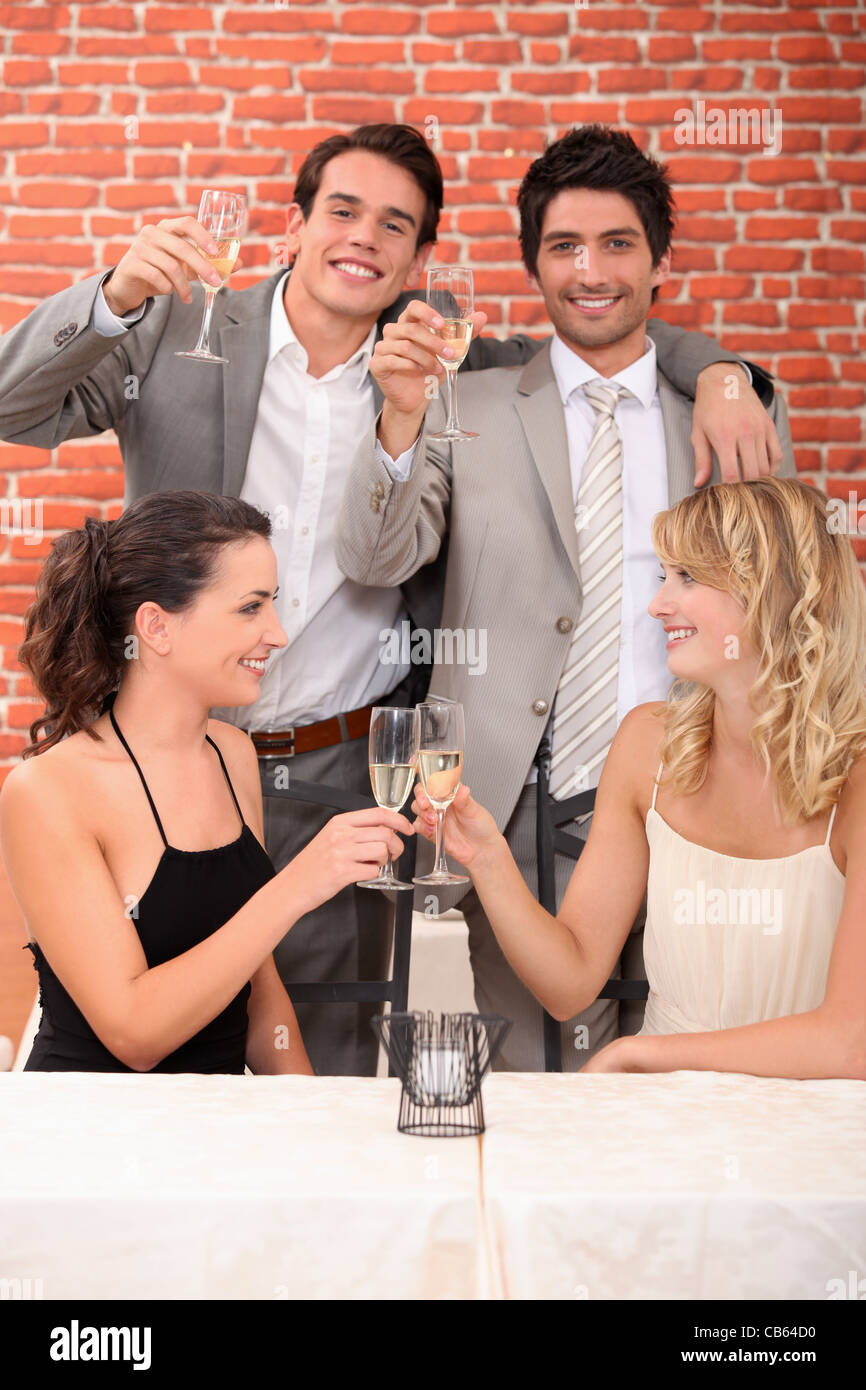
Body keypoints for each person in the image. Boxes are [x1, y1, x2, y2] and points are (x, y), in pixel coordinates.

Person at [0, 122, 785, 1075]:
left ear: (420, 259)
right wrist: (115, 296)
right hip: (180, 753)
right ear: (294, 225)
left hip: (346, 762)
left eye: (395, 224)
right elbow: (11, 404)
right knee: (144, 1024)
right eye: (342, 211)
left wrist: (724, 374)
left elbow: (600, 334)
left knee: (321, 1055)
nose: (364, 238)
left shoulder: (445, 365)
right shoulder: (177, 329)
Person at [336, 124, 797, 1072]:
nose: (590, 272)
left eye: (617, 244)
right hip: (513, 807)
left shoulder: (728, 413)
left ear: (660, 260)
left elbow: (775, 601)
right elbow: (377, 559)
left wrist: (725, 372)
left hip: (697, 796)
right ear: (533, 264)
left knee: (691, 1072)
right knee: (536, 1100)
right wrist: (399, 420)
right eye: (563, 247)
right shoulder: (464, 402)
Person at [411, 478, 866, 1081]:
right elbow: (570, 983)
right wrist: (488, 857)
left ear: (773, 593)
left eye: (689, 578)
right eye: (663, 577)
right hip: (665, 1113)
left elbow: (849, 1045)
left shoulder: (857, 782)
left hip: (804, 1118)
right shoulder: (649, 745)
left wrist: (644, 1053)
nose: (657, 605)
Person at [0, 492, 411, 1074]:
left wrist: (310, 1112)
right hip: (95, 1122)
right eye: (250, 608)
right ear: (156, 627)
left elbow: (260, 991)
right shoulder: (47, 790)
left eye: (272, 605)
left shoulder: (232, 754)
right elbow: (134, 1034)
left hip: (219, 1118)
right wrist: (297, 886)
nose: (278, 634)